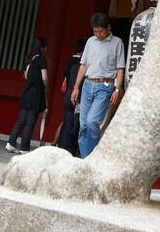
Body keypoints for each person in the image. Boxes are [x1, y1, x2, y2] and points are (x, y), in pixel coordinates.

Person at [71, 13, 126, 158]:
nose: (98, 34)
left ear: (108, 27)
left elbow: (120, 68)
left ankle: (94, 156)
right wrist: (76, 87)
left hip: (104, 86)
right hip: (88, 84)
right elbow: (83, 65)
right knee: (83, 125)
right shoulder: (90, 41)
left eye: (101, 31)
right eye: (95, 31)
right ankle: (85, 158)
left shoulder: (117, 42)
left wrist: (117, 89)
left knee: (92, 121)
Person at [7, 37, 48, 153]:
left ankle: (11, 143)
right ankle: (24, 148)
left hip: (26, 92)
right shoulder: (41, 60)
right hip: (35, 94)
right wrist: (46, 87)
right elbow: (44, 78)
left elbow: (26, 76)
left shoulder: (29, 59)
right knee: (30, 121)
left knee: (21, 120)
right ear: (42, 47)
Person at [54, 39, 85, 156]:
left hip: (68, 95)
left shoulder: (69, 62)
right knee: (75, 126)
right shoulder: (82, 66)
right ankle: (70, 151)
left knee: (66, 124)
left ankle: (61, 148)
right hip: (77, 97)